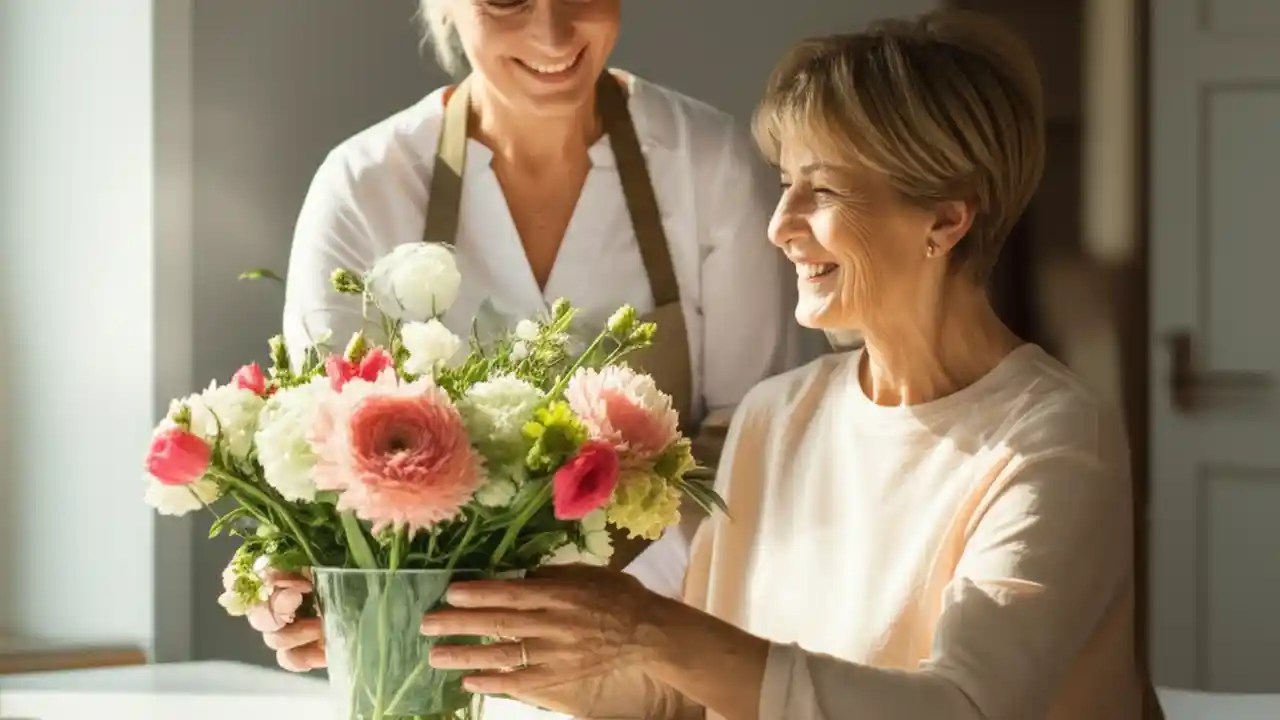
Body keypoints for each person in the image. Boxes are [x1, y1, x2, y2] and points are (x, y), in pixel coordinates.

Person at [417, 10, 1145, 719]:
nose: (780, 225)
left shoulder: (1054, 440)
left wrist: (648, 627)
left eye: (821, 189)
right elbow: (692, 697)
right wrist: (517, 655)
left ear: (947, 220)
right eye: (785, 181)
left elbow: (963, 707)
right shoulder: (777, 416)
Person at [264, 0, 809, 674]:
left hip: (663, 647)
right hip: (436, 657)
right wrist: (303, 576)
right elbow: (323, 449)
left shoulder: (708, 164)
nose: (552, 32)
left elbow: (748, 441)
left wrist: (604, 615)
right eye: (505, 0)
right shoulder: (364, 185)